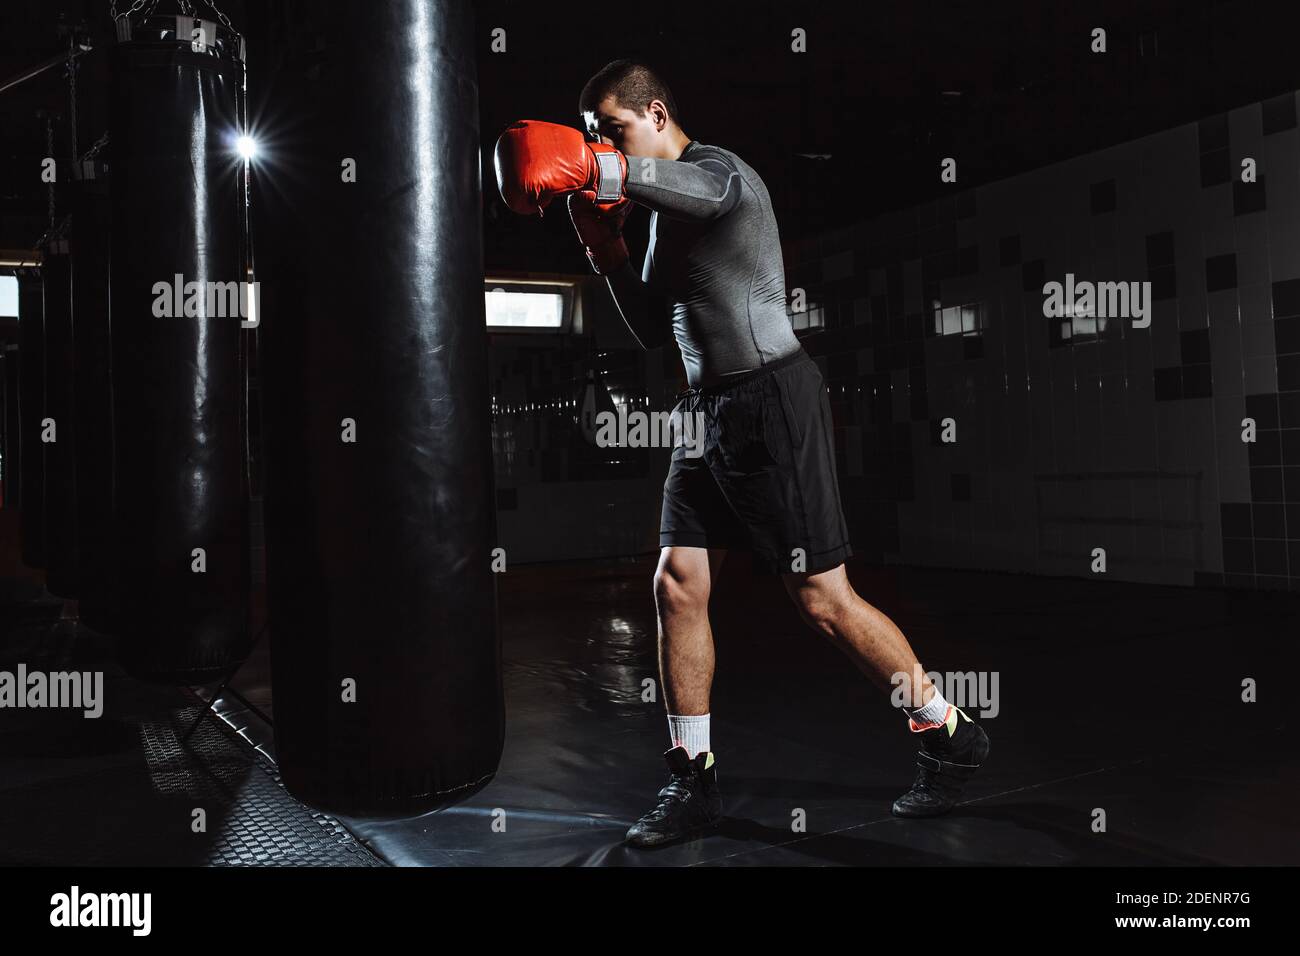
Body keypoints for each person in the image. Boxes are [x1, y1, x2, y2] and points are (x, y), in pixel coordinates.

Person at [493, 59, 990, 850]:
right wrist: (608, 252)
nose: (599, 147)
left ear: (655, 113)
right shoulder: (652, 213)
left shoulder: (720, 173)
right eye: (591, 139)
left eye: (612, 129)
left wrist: (598, 168)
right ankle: (692, 776)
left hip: (771, 401)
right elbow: (655, 327)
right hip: (704, 413)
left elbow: (709, 195)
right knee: (677, 585)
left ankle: (945, 731)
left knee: (825, 601)